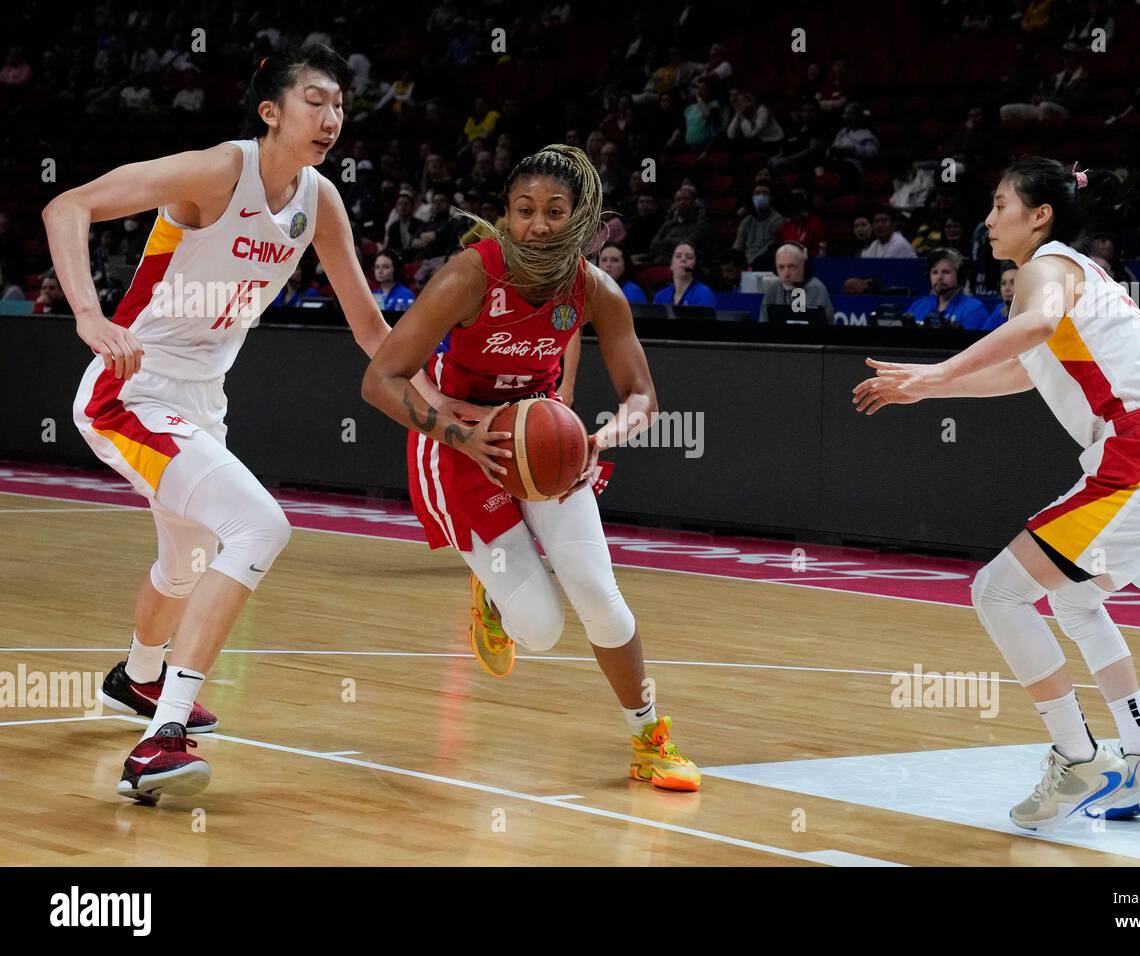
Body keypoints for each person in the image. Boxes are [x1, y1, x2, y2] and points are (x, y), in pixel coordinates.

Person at [43, 46, 447, 803]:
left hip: (201, 400)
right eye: (315, 102)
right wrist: (90, 318)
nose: (331, 119)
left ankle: (135, 678)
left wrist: (444, 418)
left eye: (338, 106)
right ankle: (159, 741)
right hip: (131, 389)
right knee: (261, 526)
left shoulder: (319, 201)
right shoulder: (216, 172)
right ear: (272, 112)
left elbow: (370, 329)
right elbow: (65, 206)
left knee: (185, 566)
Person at [854, 157, 1140, 829]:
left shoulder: (1044, 269)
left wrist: (936, 368)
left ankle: (1076, 756)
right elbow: (1024, 372)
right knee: (1075, 599)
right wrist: (926, 387)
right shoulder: (1081, 275)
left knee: (997, 591)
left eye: (1000, 205)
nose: (989, 219)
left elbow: (1029, 329)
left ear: (1040, 215)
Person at [361, 144, 700, 791]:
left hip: (542, 439)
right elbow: (381, 378)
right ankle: (492, 592)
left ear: (581, 219)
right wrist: (457, 434)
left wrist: (600, 441)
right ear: (506, 216)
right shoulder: (469, 275)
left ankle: (650, 739)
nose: (537, 224)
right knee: (541, 630)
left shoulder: (593, 290)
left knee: (599, 594)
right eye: (523, 211)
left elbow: (642, 398)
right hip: (458, 443)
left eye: (553, 211)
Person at [905, 249, 989, 329]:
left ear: (960, 277)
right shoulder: (919, 305)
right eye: (934, 272)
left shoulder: (974, 310)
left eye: (946, 272)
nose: (939, 277)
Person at [760, 243, 832, 322]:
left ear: (804, 267)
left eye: (792, 267)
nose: (786, 274)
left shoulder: (815, 289)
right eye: (781, 267)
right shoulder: (773, 289)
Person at [652, 241, 716, 307]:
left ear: (695, 265)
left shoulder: (703, 294)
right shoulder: (660, 296)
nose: (683, 259)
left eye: (689, 257)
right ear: (671, 265)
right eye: (678, 256)